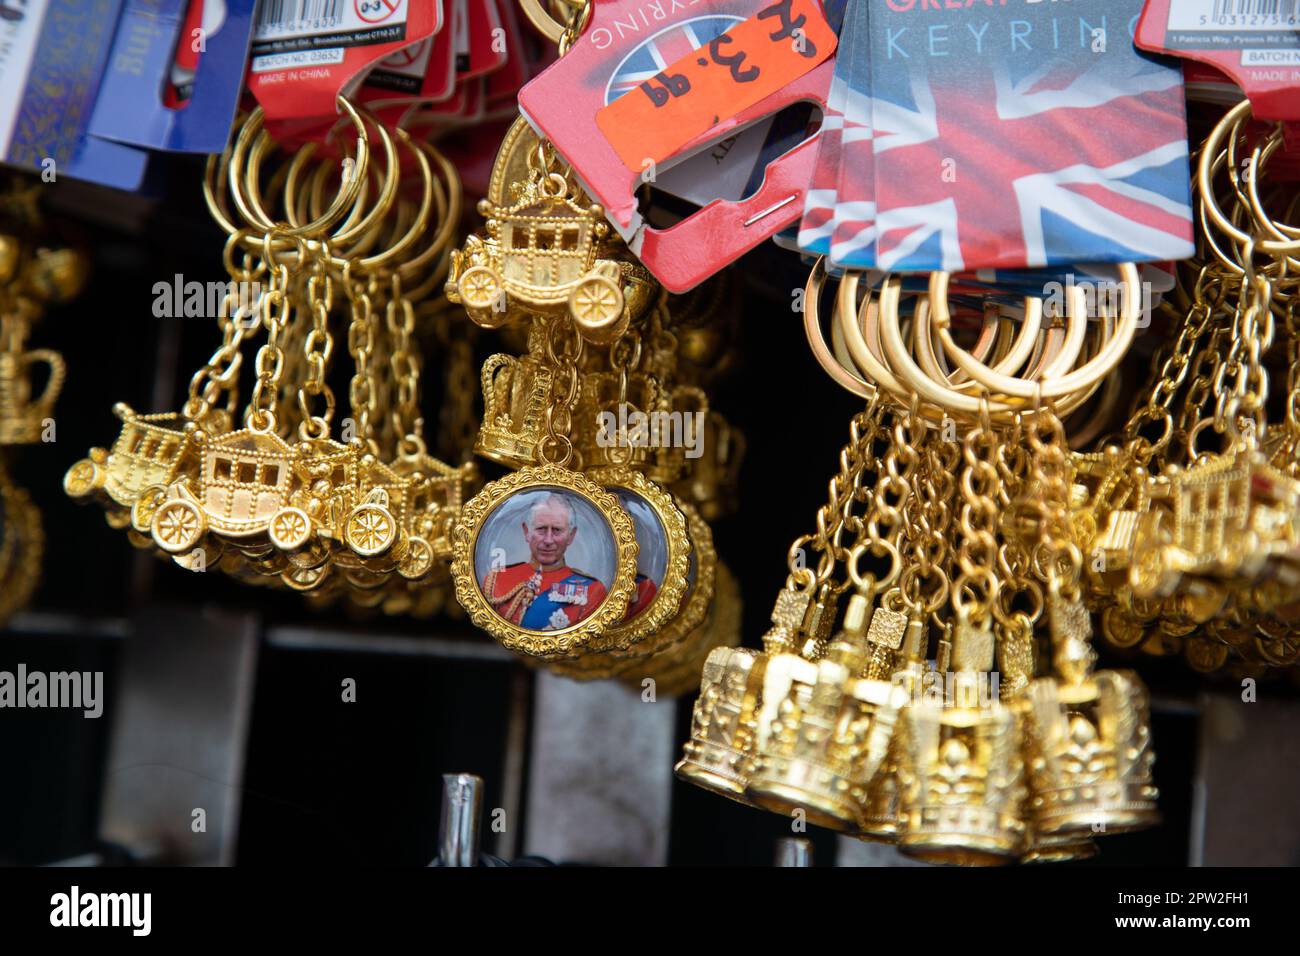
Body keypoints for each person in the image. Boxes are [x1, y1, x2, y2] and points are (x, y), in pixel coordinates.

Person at [480, 493, 607, 630]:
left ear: (571, 536)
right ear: (526, 532)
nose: (548, 540)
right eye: (541, 529)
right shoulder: (496, 581)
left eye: (557, 530)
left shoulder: (592, 590)